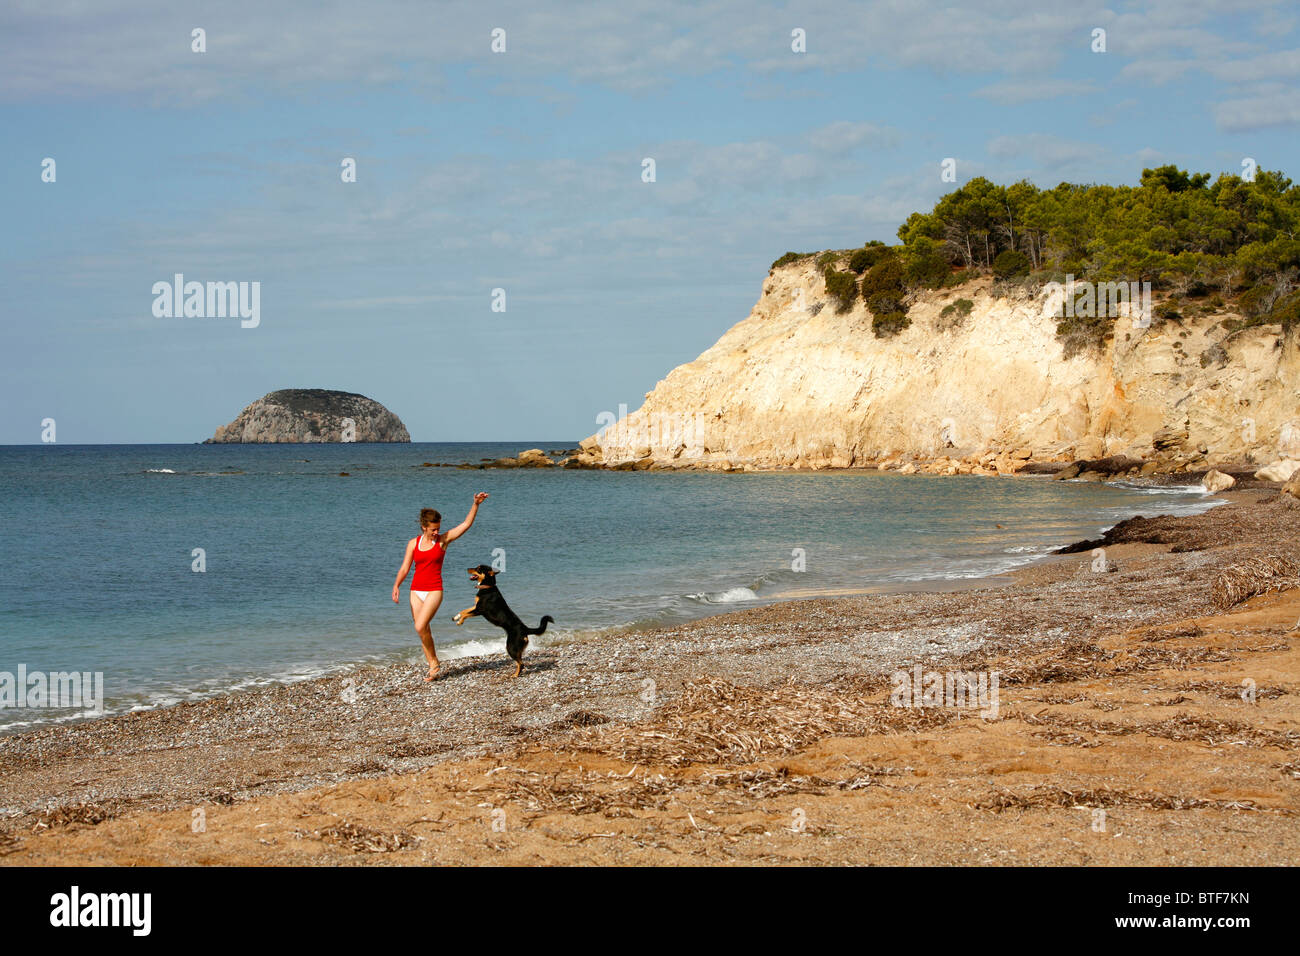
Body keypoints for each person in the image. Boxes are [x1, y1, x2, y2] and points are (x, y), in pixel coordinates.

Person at [392, 492, 489, 681]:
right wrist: (397, 585)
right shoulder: (414, 543)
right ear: (424, 527)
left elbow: (465, 525)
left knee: (419, 626)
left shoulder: (443, 541)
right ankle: (433, 666)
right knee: (423, 629)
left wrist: (475, 505)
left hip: (434, 589)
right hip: (415, 590)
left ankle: (434, 662)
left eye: (438, 528)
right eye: (433, 529)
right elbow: (405, 567)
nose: (436, 532)